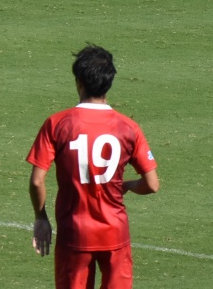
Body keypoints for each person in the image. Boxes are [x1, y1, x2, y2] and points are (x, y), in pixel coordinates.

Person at [27, 45, 159, 289]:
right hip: (115, 233)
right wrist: (127, 185)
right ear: (109, 83)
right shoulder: (128, 127)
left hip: (74, 233)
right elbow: (152, 184)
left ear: (79, 82)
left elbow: (37, 181)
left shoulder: (57, 124)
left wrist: (40, 217)